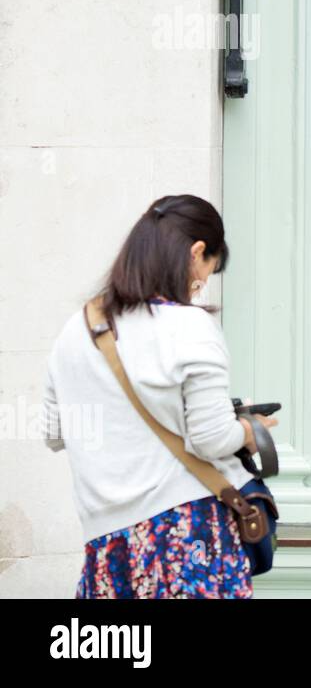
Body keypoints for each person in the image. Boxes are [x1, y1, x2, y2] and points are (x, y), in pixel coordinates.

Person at [41, 194, 277, 598]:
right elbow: (210, 439)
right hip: (187, 535)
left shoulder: (73, 332)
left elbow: (54, 433)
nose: (199, 285)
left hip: (106, 547)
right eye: (206, 272)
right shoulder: (189, 327)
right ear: (196, 251)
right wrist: (249, 431)